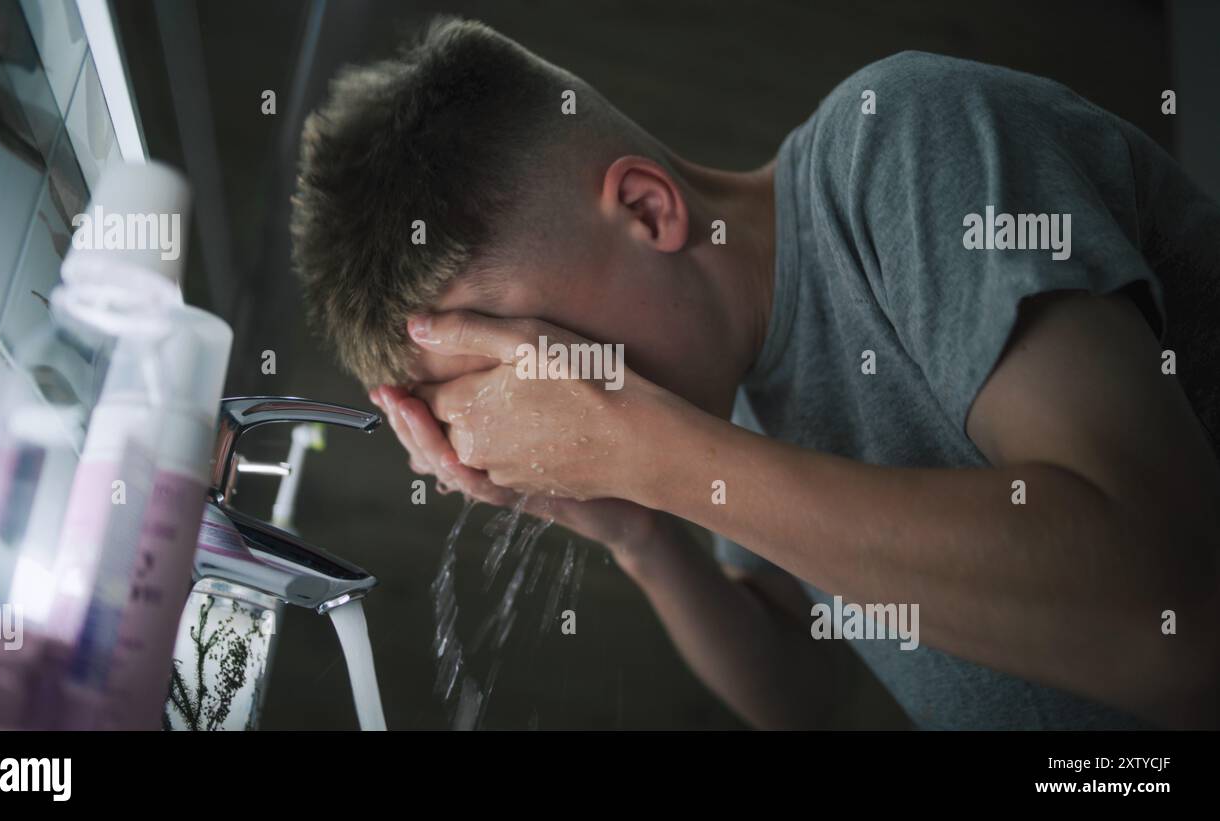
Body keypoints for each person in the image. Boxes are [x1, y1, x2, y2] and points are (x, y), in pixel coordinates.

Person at [290, 18, 1220, 729]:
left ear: (649, 212)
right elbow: (803, 687)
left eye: (541, 355)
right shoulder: (718, 392)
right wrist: (637, 532)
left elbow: (1173, 614)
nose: (551, 407)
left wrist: (650, 453)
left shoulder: (900, 140)